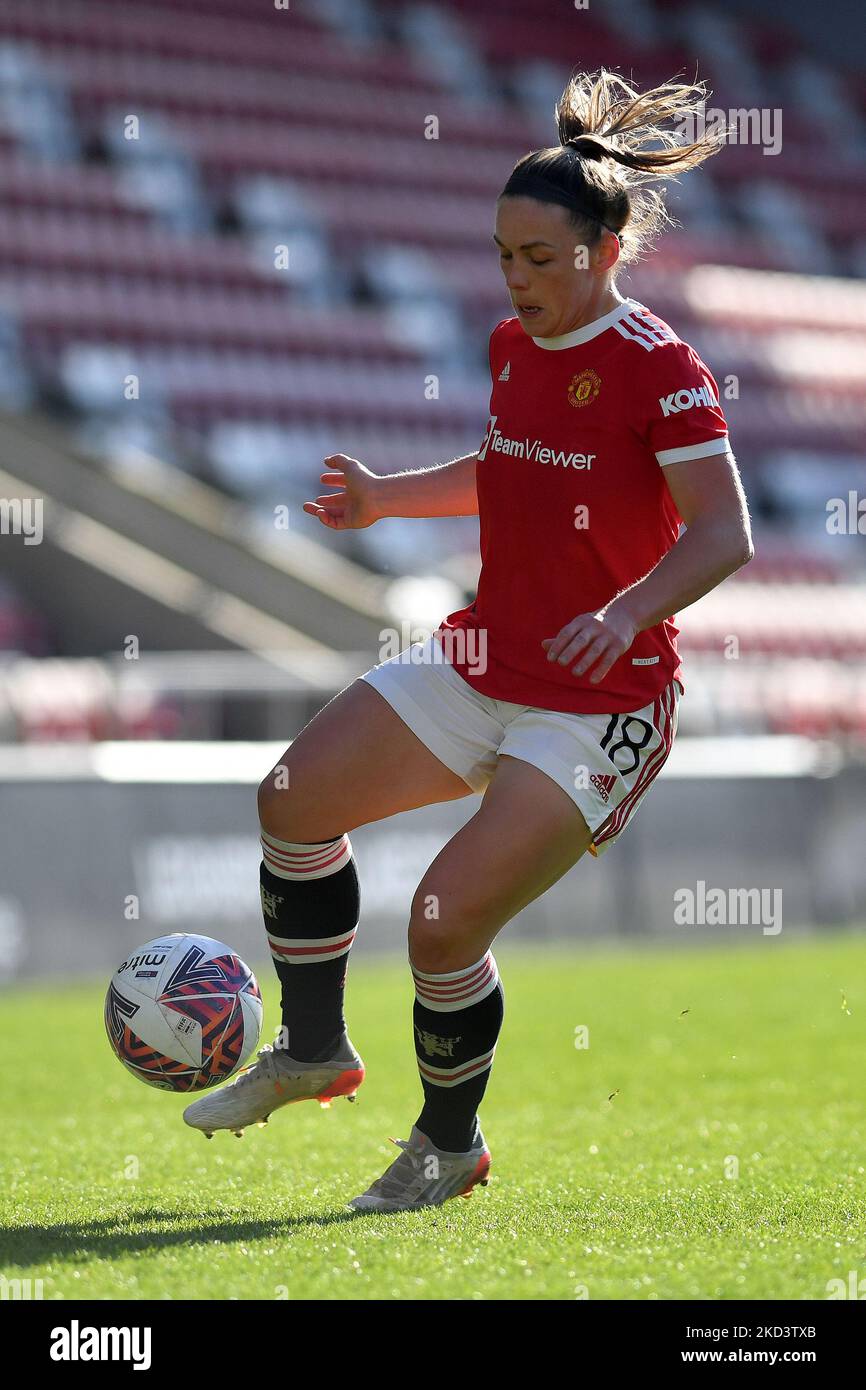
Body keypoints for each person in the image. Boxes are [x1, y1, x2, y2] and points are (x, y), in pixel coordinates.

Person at [183, 69, 753, 1213]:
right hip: (484, 657)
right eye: (502, 257)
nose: (517, 279)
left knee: (439, 923)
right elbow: (510, 473)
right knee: (292, 800)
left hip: (597, 700)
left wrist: (627, 609)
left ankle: (446, 1147)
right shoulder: (507, 345)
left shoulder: (661, 368)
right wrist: (390, 498)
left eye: (540, 259)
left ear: (601, 248)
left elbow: (725, 532)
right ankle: (311, 1050)